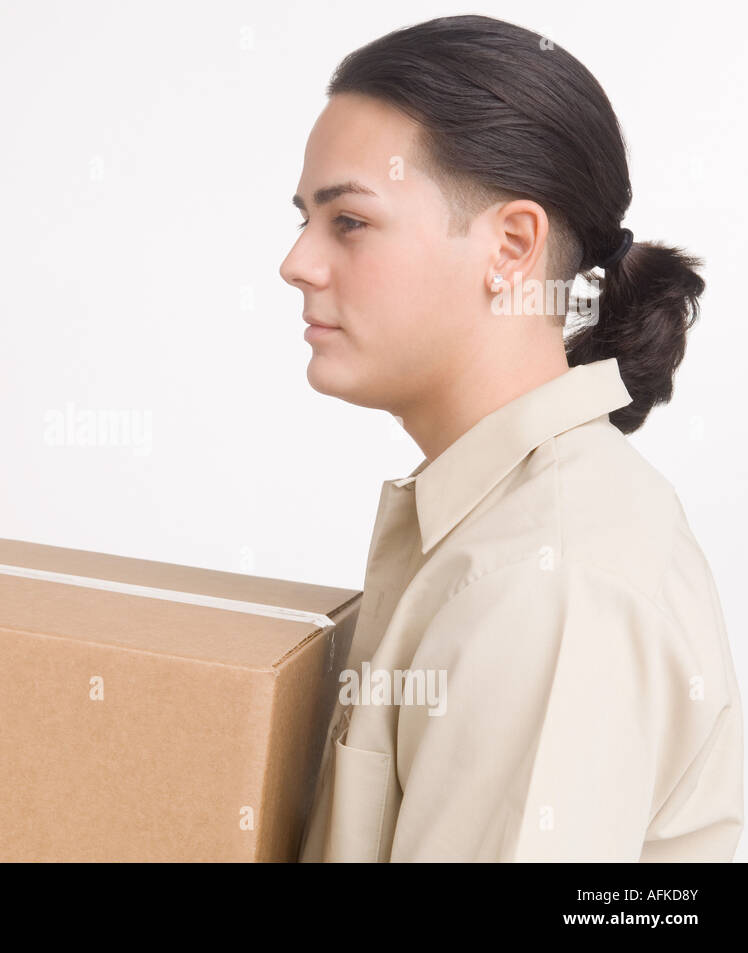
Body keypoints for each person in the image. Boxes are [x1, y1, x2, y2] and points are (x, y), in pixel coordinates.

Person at [280, 14, 743, 861]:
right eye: (304, 219)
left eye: (347, 221)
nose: (297, 261)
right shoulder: (501, 529)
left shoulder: (546, 581)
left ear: (512, 245)